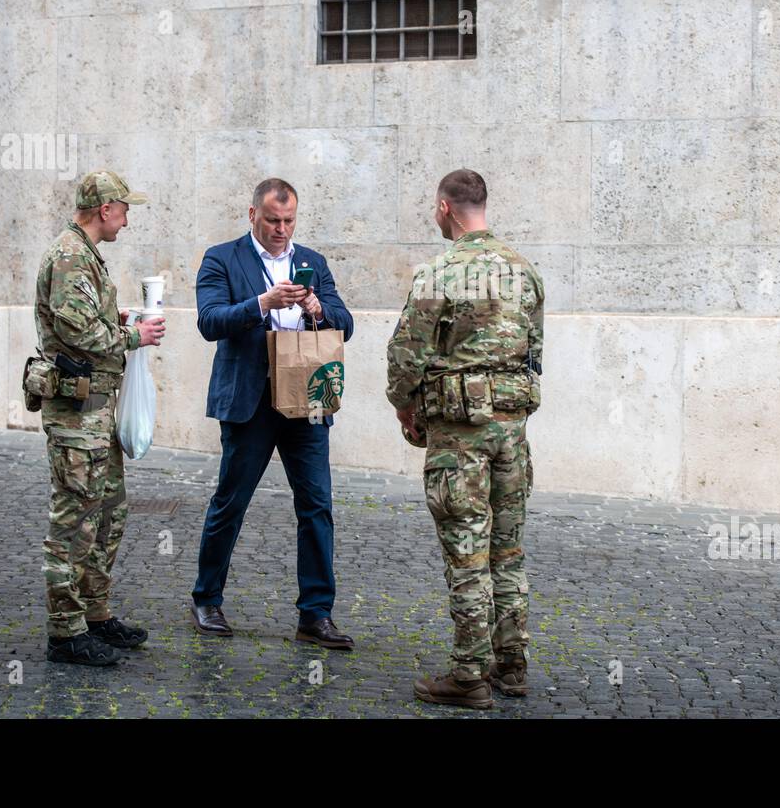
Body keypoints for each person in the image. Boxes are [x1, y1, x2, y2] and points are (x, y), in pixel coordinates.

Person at [386, 168, 544, 709]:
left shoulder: (441, 272)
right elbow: (534, 352)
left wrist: (405, 407)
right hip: (513, 433)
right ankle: (512, 663)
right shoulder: (524, 271)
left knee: (467, 551)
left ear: (445, 208)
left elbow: (407, 353)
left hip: (460, 438)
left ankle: (469, 675)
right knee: (509, 549)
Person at [190, 178, 356, 649]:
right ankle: (206, 598)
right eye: (272, 221)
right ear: (252, 215)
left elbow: (346, 325)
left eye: (289, 221)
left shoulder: (313, 263)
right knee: (231, 502)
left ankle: (315, 615)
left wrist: (317, 307)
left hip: (306, 401)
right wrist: (262, 303)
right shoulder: (222, 257)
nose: (282, 230)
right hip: (250, 400)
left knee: (317, 507)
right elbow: (208, 321)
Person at [34, 170, 166, 666]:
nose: (127, 219)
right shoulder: (69, 257)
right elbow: (77, 335)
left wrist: (124, 320)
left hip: (96, 411)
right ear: (105, 209)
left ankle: (94, 612)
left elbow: (89, 323)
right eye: (124, 209)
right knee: (74, 519)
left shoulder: (85, 256)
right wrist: (134, 338)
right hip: (75, 413)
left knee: (109, 511)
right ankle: (65, 632)